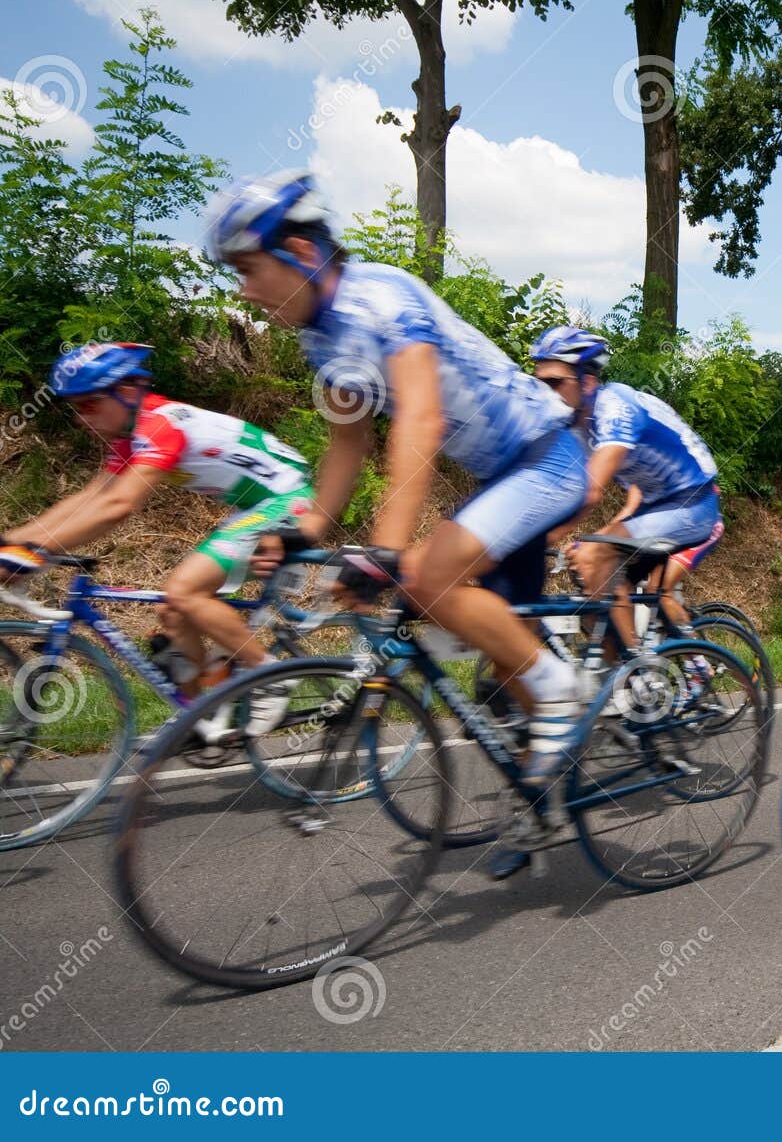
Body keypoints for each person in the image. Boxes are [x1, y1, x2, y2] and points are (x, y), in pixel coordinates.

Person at [204, 169, 588, 877]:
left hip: (548, 458)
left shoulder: (381, 296)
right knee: (479, 629)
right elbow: (347, 442)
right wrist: (304, 529)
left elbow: (420, 415)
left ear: (299, 251)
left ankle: (564, 693)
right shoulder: (321, 340)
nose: (244, 290)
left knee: (428, 574)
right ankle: (547, 793)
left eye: (249, 269)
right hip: (500, 478)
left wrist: (382, 551)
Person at [0, 342, 313, 734]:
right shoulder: (131, 437)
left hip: (288, 499)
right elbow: (90, 498)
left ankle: (271, 676)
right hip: (255, 506)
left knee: (183, 590)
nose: (82, 418)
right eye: (75, 408)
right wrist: (14, 541)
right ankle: (203, 716)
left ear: (128, 391)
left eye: (89, 404)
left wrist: (38, 551)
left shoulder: (161, 424)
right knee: (172, 613)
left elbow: (119, 506)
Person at [528, 327, 724, 643]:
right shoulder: (574, 423)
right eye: (538, 383)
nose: (543, 393)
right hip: (656, 505)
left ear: (587, 382)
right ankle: (608, 677)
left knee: (596, 554)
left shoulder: (615, 407)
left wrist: (536, 539)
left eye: (554, 383)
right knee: (590, 577)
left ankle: (643, 675)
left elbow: (590, 491)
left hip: (694, 502)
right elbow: (551, 485)